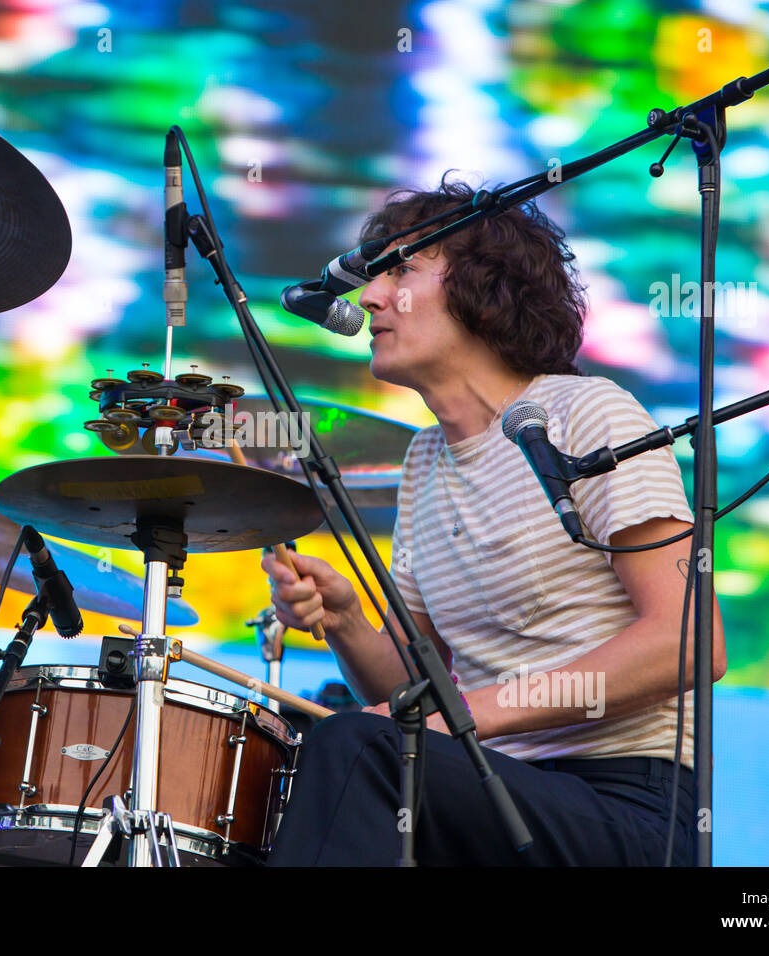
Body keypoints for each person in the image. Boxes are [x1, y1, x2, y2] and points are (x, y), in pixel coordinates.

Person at [262, 176, 726, 866]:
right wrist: (346, 621)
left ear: (481, 285)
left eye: (402, 271)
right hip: (492, 788)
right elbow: (408, 694)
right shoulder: (425, 459)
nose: (368, 298)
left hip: (626, 809)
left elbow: (690, 644)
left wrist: (469, 716)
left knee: (355, 747)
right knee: (306, 750)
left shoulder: (586, 413)